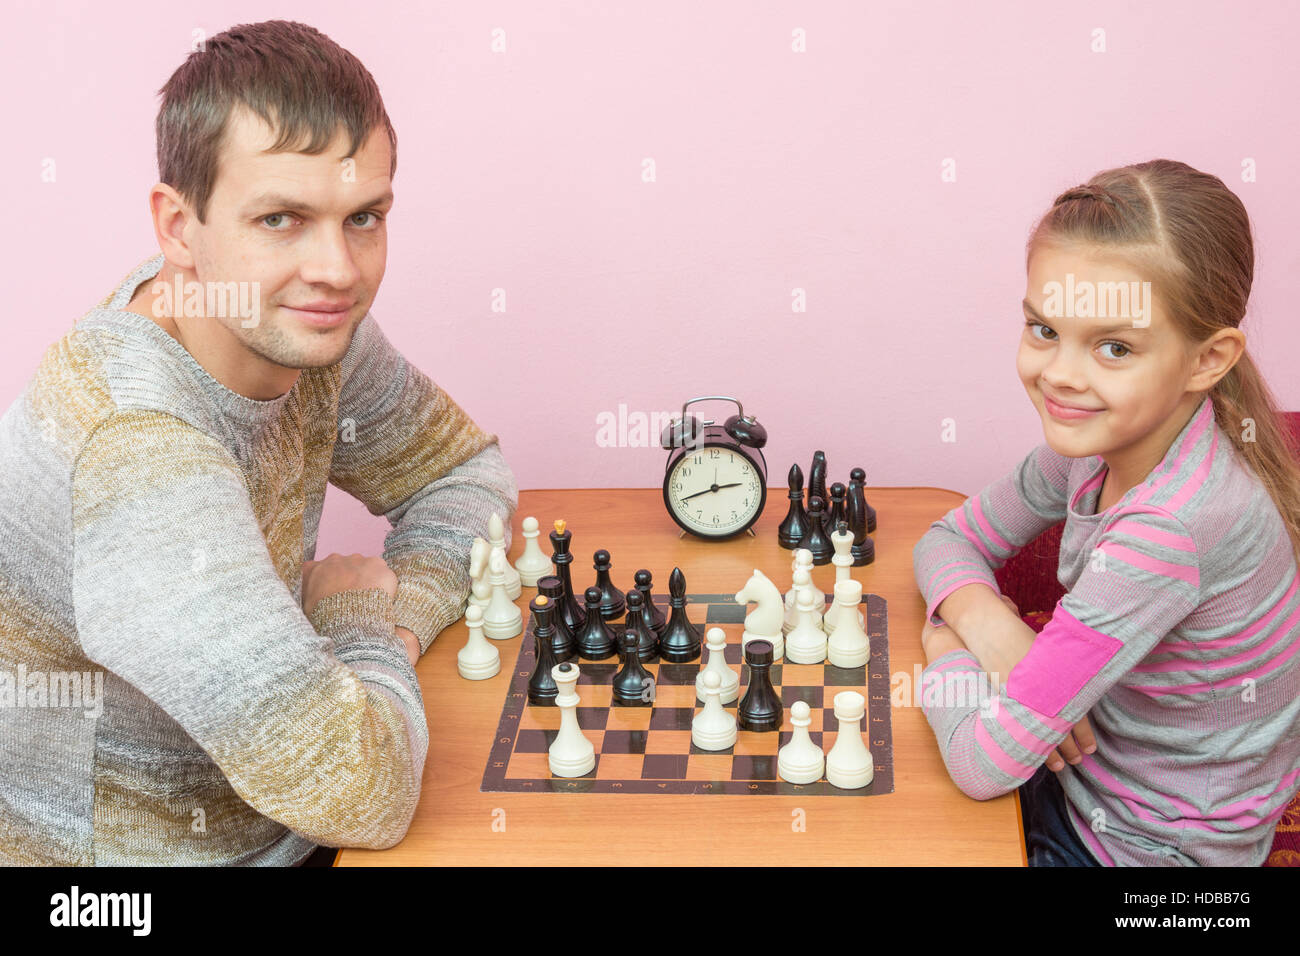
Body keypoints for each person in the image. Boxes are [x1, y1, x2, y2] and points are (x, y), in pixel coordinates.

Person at [0, 20, 517, 865]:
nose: (338, 269)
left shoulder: (288, 315)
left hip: (290, 830)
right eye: (281, 217)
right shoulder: (136, 452)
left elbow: (461, 472)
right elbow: (365, 794)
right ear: (178, 226)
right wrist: (352, 623)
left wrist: (394, 627)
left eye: (364, 218)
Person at [913, 159, 1300, 866]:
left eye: (1114, 347)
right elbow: (944, 539)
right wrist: (994, 630)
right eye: (1043, 329)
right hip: (1084, 793)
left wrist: (944, 646)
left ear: (1207, 359)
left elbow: (983, 763)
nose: (1061, 373)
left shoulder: (1173, 527)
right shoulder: (1099, 444)